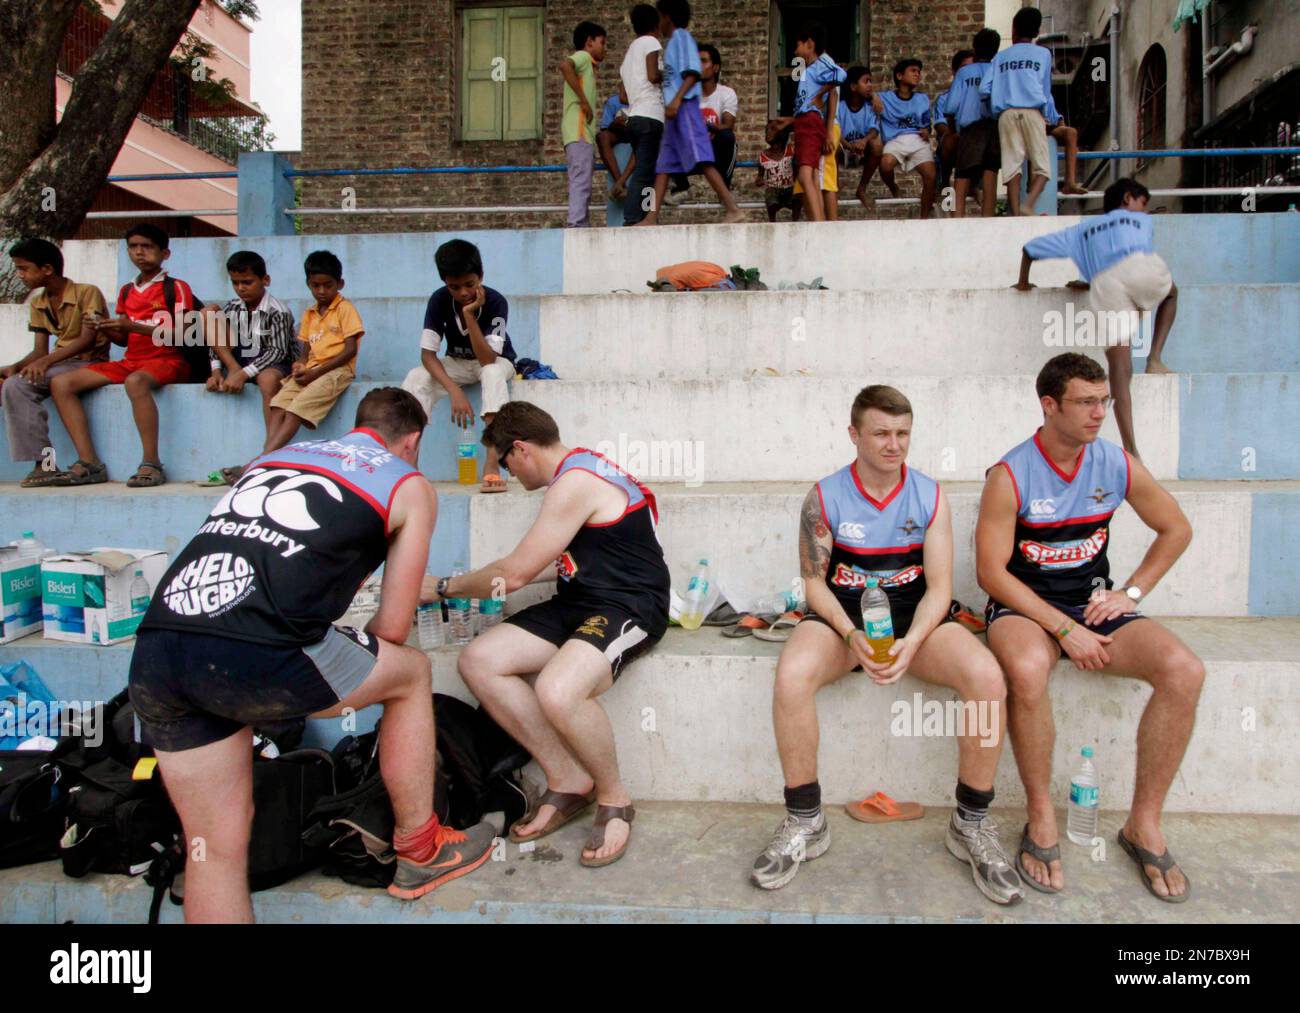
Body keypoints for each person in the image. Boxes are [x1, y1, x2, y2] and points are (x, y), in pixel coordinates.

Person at [129, 388, 497, 920]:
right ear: (412, 441)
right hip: (260, 655)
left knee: (214, 848)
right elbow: (392, 627)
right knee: (411, 672)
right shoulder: (408, 484)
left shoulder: (275, 457)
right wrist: (354, 642)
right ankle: (422, 849)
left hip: (160, 651)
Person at [750, 385, 1021, 904]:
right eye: (880, 433)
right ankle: (806, 821)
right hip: (842, 619)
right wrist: (851, 635)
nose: (893, 445)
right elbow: (813, 584)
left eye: (902, 433)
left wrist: (913, 641)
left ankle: (970, 824)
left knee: (986, 677)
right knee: (792, 674)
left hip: (913, 617)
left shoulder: (929, 494)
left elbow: (940, 588)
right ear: (854, 435)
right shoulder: (824, 496)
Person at [975, 353, 1202, 902]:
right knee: (1028, 670)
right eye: (1085, 402)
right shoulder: (1009, 475)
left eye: (1105, 401)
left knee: (1184, 671)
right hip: (1025, 608)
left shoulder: (1116, 463)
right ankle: (1041, 818)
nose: (1099, 412)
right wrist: (1061, 628)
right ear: (1049, 405)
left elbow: (1175, 528)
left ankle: (1142, 824)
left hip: (1093, 604)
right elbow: (990, 574)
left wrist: (1130, 593)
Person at [432, 401, 670, 868]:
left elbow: (517, 574)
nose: (508, 473)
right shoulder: (575, 472)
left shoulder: (576, 481)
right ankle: (566, 779)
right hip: (578, 600)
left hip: (629, 604)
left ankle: (615, 798)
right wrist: (486, 578)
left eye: (504, 462)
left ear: (519, 449)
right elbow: (545, 564)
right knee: (480, 660)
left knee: (558, 690)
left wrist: (443, 587)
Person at [1013, 178, 1177, 458]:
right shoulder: (1141, 222)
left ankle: (1132, 450)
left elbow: (1029, 250)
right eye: (1143, 204)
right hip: (1138, 268)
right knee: (1172, 293)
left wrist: (1024, 282)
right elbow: (1124, 257)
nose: (1145, 212)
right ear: (1128, 198)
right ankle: (1155, 358)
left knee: (1120, 372)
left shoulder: (1081, 230)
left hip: (1104, 283)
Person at [47, 224, 196, 488]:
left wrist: (133, 326)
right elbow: (123, 339)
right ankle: (89, 461)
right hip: (131, 361)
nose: (139, 253)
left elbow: (183, 334)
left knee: (135, 382)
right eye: (134, 247)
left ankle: (151, 463)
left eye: (147, 247)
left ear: (165, 254)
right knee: (61, 383)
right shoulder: (127, 290)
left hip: (168, 361)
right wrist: (103, 325)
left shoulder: (177, 287)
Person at [221, 250, 363, 485]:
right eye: (315, 286)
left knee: (296, 408)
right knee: (278, 403)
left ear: (340, 284)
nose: (321, 291)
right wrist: (300, 366)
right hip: (312, 370)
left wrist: (315, 372)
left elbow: (350, 350)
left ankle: (259, 462)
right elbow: (306, 347)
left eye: (327, 286)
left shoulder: (345, 309)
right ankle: (269, 457)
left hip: (337, 371)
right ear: (308, 284)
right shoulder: (310, 312)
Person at [401, 238, 518, 491]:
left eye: (470, 284)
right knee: (416, 377)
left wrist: (469, 316)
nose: (464, 293)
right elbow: (428, 355)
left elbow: (488, 358)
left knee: (491, 372)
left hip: (496, 360)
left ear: (481, 276)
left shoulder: (496, 302)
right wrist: (454, 390)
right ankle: (409, 468)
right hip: (458, 362)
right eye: (454, 287)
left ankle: (492, 463)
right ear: (445, 283)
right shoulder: (439, 300)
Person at [1, 238, 108, 487]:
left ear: (47, 269)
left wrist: (46, 361)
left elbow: (87, 340)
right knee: (14, 384)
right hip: (59, 363)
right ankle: (44, 464)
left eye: (24, 268)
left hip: (88, 360)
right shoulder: (38, 302)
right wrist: (13, 367)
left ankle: (89, 461)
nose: (20, 275)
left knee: (26, 383)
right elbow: (39, 351)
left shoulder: (86, 291)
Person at [635, 0, 743, 226]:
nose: (659, 24)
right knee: (663, 166)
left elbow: (692, 73)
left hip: (685, 108)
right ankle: (651, 216)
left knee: (702, 159)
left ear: (668, 18)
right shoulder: (674, 43)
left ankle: (732, 208)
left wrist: (675, 100)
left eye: (660, 18)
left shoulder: (681, 38)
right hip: (675, 114)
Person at [202, 250, 299, 436]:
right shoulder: (233, 306)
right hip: (240, 361)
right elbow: (216, 340)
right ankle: (231, 368)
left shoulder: (278, 311)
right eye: (235, 283)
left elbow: (277, 352)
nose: (241, 288)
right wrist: (216, 371)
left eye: (247, 282)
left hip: (275, 363)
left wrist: (243, 374)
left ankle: (271, 445)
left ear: (265, 280)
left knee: (268, 380)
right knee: (209, 312)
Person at [979, 6, 1053, 216]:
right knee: (1043, 168)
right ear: (1037, 32)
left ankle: (1016, 213)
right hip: (1033, 111)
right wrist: (1046, 114)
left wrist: (997, 102)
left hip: (1006, 114)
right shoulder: (1044, 54)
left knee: (1012, 166)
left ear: (1013, 30)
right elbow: (1045, 90)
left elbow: (983, 89)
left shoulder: (1001, 57)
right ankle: (1028, 204)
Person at [667, 43, 738, 199]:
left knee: (728, 137)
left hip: (713, 152)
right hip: (690, 152)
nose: (698, 65)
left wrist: (703, 125)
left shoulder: (726, 93)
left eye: (704, 61)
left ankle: (724, 190)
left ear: (716, 68)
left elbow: (727, 126)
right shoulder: (687, 95)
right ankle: (682, 188)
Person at [946, 28, 1001, 219]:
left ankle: (956, 219)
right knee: (990, 176)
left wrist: (954, 129)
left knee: (961, 178)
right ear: (996, 50)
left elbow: (950, 106)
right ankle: (988, 220)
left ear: (975, 49)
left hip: (971, 130)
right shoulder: (998, 71)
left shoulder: (964, 72)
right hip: (994, 127)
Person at [872, 59, 936, 219]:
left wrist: (927, 132)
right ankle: (893, 187)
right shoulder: (885, 97)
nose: (917, 74)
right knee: (885, 165)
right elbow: (863, 91)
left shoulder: (922, 99)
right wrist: (873, 96)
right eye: (913, 70)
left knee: (931, 175)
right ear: (900, 75)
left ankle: (924, 218)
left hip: (917, 140)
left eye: (919, 71)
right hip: (895, 140)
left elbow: (927, 125)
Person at [619, 4, 665, 226]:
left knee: (645, 169)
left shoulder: (629, 54)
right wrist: (671, 73)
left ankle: (646, 217)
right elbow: (653, 75)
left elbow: (622, 95)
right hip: (650, 116)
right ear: (655, 24)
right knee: (645, 172)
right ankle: (633, 218)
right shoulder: (651, 42)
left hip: (634, 116)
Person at [560, 21, 608, 228]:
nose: (604, 48)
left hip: (582, 133)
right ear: (589, 42)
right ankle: (576, 224)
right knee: (581, 180)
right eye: (602, 43)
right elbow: (564, 65)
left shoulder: (589, 65)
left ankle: (580, 223)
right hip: (578, 131)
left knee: (583, 180)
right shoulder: (583, 57)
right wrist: (584, 101)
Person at [836, 66, 882, 209]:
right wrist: (849, 145)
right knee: (832, 144)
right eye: (866, 81)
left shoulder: (869, 107)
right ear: (853, 87)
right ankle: (834, 188)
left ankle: (861, 189)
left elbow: (874, 130)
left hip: (863, 151)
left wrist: (864, 141)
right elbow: (834, 131)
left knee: (877, 145)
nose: (870, 85)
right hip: (844, 149)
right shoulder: (840, 107)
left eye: (870, 81)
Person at [934, 50, 973, 197]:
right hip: (953, 147)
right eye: (965, 68)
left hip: (975, 145)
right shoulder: (944, 99)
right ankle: (944, 184)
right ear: (955, 72)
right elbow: (940, 127)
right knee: (950, 140)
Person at [756, 121, 802, 221]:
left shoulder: (791, 151)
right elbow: (760, 176)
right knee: (771, 201)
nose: (768, 132)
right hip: (773, 189)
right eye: (766, 130)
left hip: (790, 187)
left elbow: (798, 168)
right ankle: (772, 222)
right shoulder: (763, 156)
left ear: (782, 133)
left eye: (772, 130)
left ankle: (795, 222)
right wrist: (759, 180)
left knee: (797, 199)